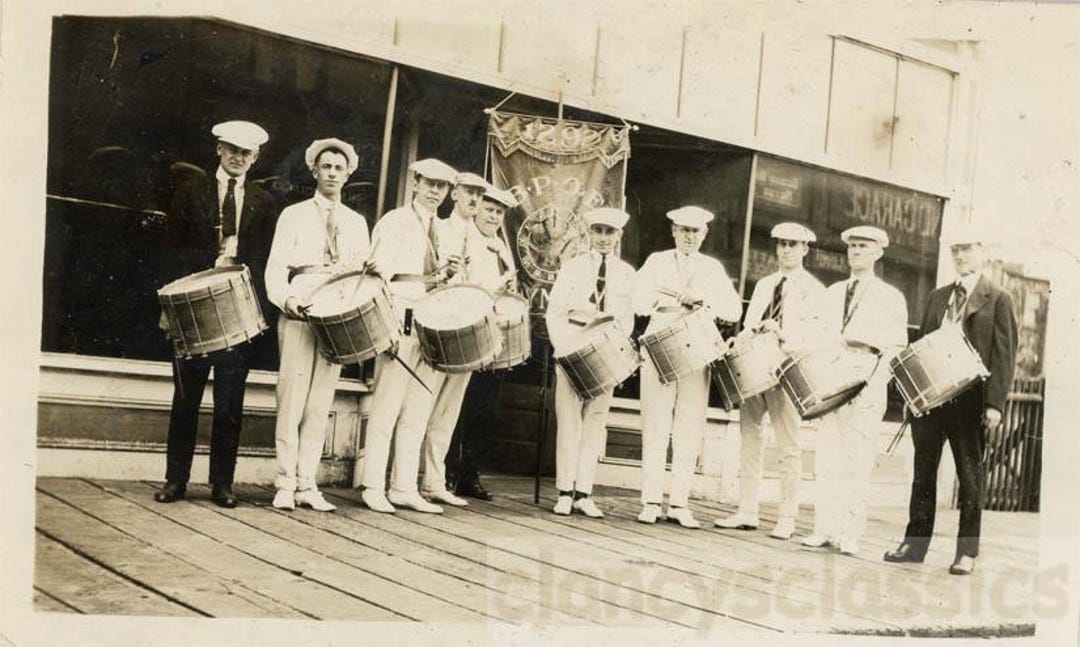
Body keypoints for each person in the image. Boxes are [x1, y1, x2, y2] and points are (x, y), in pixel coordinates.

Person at [154, 120, 278, 508]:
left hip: (238, 311)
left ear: (255, 158)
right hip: (192, 307)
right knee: (185, 399)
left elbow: (267, 260)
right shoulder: (191, 192)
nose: (238, 157)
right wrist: (168, 310)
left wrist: (260, 311)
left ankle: (222, 483)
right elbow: (169, 252)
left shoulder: (263, 201)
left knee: (229, 403)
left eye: (246, 152)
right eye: (232, 149)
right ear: (219, 150)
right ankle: (176, 480)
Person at [884, 224, 1017, 575]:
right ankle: (914, 545)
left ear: (982, 251)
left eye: (967, 249)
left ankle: (966, 553)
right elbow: (920, 346)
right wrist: (912, 394)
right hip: (931, 399)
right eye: (955, 250)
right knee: (923, 473)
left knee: (970, 476)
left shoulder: (998, 298)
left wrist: (995, 404)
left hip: (970, 400)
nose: (960, 255)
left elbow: (1004, 355)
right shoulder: (938, 296)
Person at [264, 138, 370, 512]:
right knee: (291, 398)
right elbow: (275, 269)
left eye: (339, 168)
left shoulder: (356, 222)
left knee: (320, 400)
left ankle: (307, 483)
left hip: (335, 314)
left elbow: (361, 275)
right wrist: (286, 300)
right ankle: (285, 481)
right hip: (301, 307)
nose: (332, 174)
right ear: (314, 171)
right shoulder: (293, 215)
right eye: (326, 167)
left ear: (348, 174)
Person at [358, 158, 462, 514]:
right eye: (429, 184)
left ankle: (403, 486)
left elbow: (439, 278)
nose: (435, 192)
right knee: (386, 406)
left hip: (431, 325)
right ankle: (373, 485)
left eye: (442, 186)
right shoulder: (396, 221)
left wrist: (449, 275)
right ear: (415, 183)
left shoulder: (444, 230)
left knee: (418, 410)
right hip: (400, 319)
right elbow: (377, 278)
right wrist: (385, 326)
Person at [714, 222, 827, 539]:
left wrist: (783, 333)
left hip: (785, 371)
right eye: (781, 244)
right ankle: (747, 510)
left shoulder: (815, 291)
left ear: (805, 249)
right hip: (755, 368)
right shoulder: (765, 284)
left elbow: (817, 337)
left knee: (788, 447)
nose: (786, 250)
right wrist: (740, 340)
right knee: (749, 439)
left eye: (793, 245)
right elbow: (751, 324)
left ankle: (787, 517)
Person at [632, 206, 742, 528]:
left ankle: (679, 503)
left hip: (696, 345)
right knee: (655, 422)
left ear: (704, 234)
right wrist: (666, 301)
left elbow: (734, 310)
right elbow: (636, 300)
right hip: (660, 345)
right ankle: (651, 501)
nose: (689, 236)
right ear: (673, 231)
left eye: (695, 231)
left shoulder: (712, 268)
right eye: (684, 230)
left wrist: (704, 299)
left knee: (690, 424)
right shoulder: (657, 262)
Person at [801, 226, 908, 555]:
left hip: (867, 373)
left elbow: (896, 346)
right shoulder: (833, 292)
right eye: (853, 246)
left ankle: (850, 532)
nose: (856, 252)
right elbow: (818, 337)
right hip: (834, 374)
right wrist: (822, 376)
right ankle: (824, 528)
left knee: (857, 459)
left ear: (878, 252)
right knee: (828, 455)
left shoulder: (890, 296)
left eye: (863, 246)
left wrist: (874, 383)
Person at [416, 183, 519, 506]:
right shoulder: (460, 236)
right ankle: (419, 477)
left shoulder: (501, 247)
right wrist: (495, 287)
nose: (493, 216)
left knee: (458, 411)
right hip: (452, 333)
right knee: (429, 407)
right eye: (489, 209)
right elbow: (465, 287)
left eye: (499, 212)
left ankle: (438, 480)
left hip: (484, 337)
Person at [545, 207, 635, 518]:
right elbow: (555, 312)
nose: (603, 238)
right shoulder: (572, 268)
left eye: (609, 232)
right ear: (590, 233)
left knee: (595, 421)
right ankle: (564, 491)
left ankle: (584, 493)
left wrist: (614, 352)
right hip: (572, 346)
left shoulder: (626, 273)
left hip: (605, 351)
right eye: (598, 231)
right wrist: (564, 349)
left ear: (618, 236)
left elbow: (627, 320)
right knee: (569, 421)